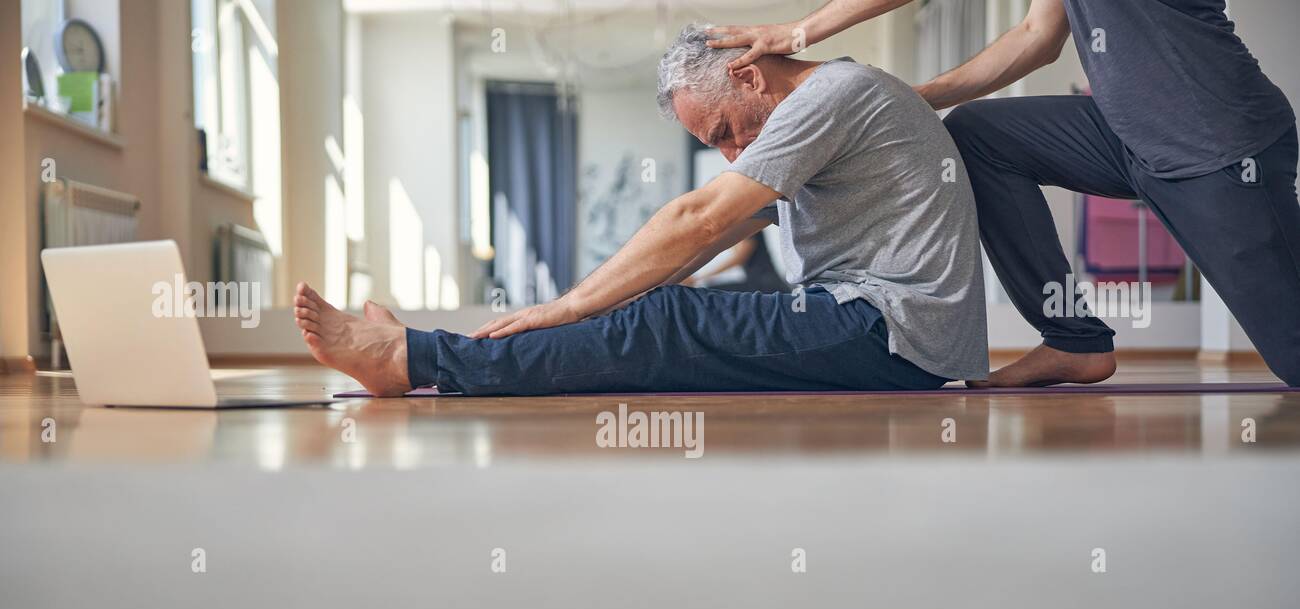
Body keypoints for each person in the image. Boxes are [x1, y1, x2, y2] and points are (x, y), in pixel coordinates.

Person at [293, 24, 988, 397]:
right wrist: (604, 297)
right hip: (887, 330)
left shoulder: (829, 95)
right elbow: (705, 242)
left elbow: (701, 219)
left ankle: (411, 359)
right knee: (655, 305)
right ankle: (418, 350)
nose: (729, 154)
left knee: (662, 318)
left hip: (891, 332)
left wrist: (567, 307)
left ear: (748, 74)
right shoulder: (825, 109)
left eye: (723, 132)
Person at [710, 0, 1300, 387]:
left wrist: (799, 31)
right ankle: (1074, 340)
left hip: (1217, 142)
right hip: (1126, 134)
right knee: (980, 135)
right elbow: (1036, 37)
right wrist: (908, 102)